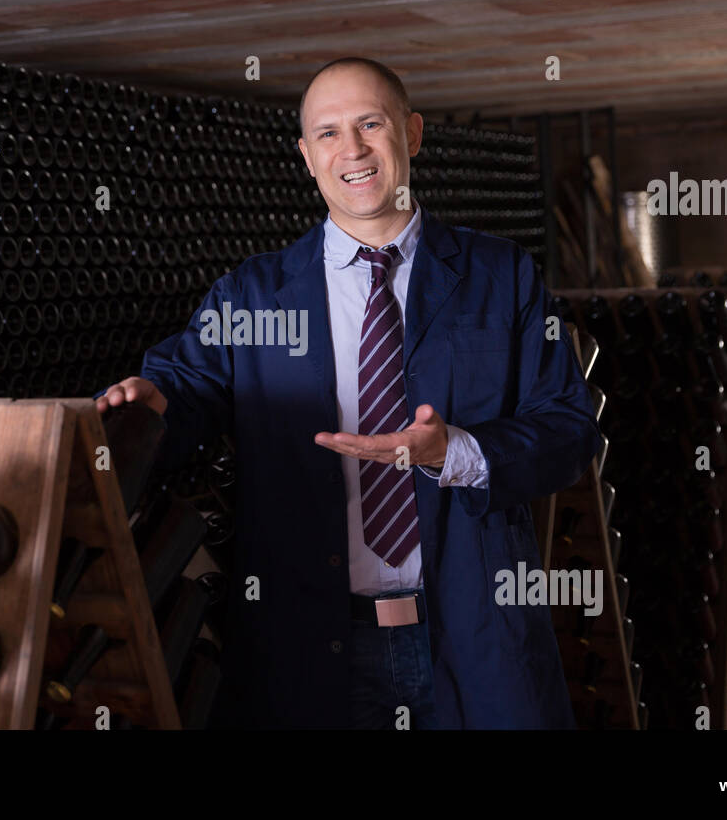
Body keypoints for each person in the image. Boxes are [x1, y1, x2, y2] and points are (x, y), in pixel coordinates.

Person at [96, 56, 601, 729]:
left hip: (474, 632)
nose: (353, 149)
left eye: (371, 123)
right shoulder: (255, 293)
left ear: (412, 133)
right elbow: (187, 385)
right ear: (306, 156)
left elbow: (569, 427)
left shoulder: (499, 275)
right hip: (311, 645)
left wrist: (455, 449)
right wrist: (151, 399)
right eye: (329, 133)